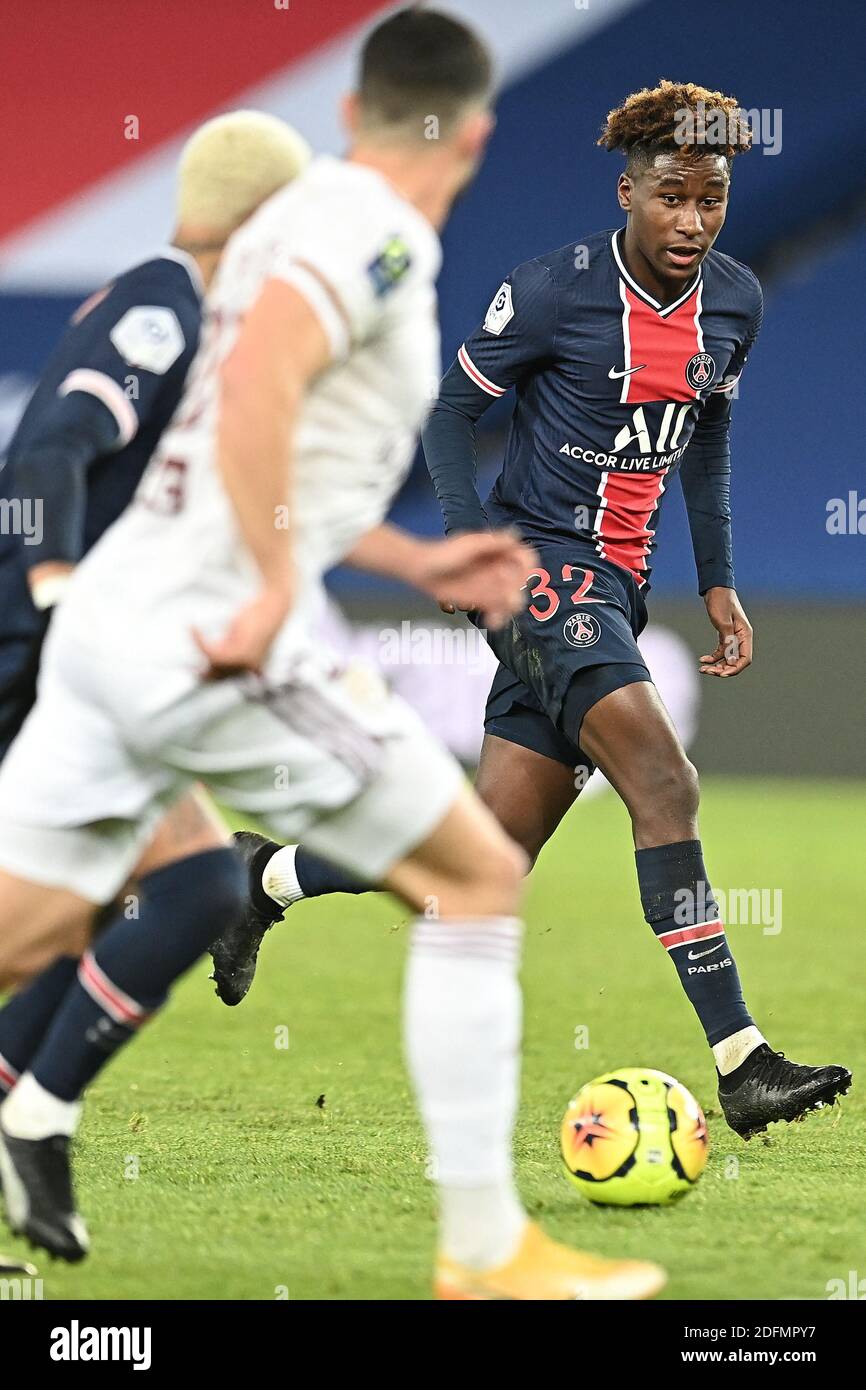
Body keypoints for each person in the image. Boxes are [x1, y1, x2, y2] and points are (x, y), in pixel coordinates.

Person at [0, 9, 665, 1301]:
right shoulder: (368, 230)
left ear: (354, 110)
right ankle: (482, 1252)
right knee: (475, 873)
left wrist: (410, 562)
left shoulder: (274, 237)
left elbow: (264, 428)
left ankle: (41, 1104)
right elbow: (254, 394)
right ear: (471, 133)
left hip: (115, 623)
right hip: (203, 629)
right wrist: (259, 589)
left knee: (27, 925)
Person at [217, 80, 850, 1143]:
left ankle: (262, 877)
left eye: (711, 198)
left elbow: (706, 438)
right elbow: (454, 410)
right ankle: (740, 1061)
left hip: (618, 585)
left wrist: (717, 578)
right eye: (671, 199)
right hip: (537, 570)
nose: (692, 221)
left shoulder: (731, 303)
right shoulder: (555, 290)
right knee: (662, 775)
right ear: (627, 193)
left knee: (480, 854)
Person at [0, 108, 312, 1092]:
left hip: (85, 661)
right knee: (142, 898)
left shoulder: (206, 329)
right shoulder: (161, 305)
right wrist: (52, 588)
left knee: (170, 891)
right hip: (36, 652)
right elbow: (49, 446)